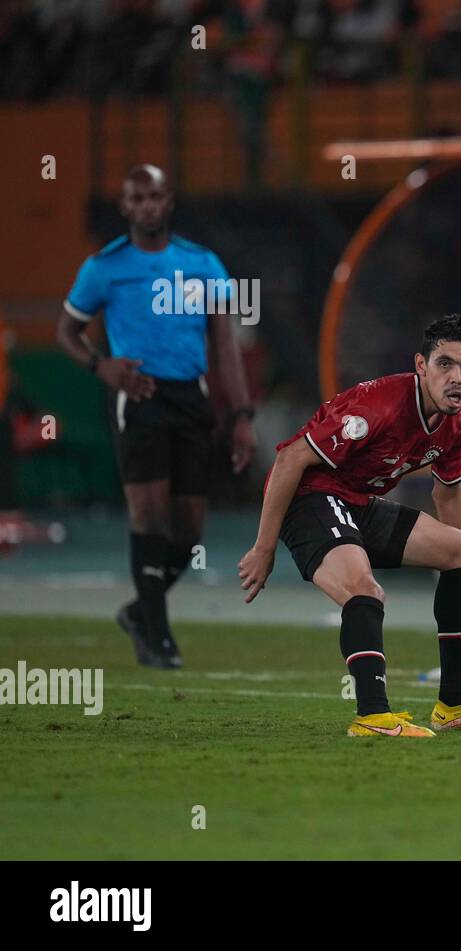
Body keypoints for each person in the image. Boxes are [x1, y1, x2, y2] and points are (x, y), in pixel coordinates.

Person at [237, 314, 461, 738]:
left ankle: (456, 705)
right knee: (363, 588)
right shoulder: (378, 406)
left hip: (358, 504)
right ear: (421, 366)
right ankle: (372, 717)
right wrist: (264, 547)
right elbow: (290, 459)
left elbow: (448, 494)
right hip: (310, 499)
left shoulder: (455, 423)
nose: (456, 377)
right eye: (444, 364)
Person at [56, 164, 255, 669]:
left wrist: (241, 413)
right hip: (138, 397)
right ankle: (159, 636)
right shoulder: (104, 267)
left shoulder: (203, 263)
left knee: (189, 532)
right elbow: (66, 331)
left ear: (170, 202)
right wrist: (101, 366)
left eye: (155, 196)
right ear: (125, 206)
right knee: (148, 518)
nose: (147, 206)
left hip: (191, 398)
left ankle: (139, 610)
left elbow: (226, 344)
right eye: (137, 198)